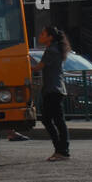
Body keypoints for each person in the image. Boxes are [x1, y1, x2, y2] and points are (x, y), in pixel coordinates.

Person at [33, 25, 71, 161]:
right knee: (51, 120)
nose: (40, 36)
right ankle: (60, 150)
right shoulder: (53, 48)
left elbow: (38, 67)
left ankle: (62, 151)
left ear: (50, 37)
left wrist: (21, 67)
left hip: (53, 90)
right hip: (54, 89)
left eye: (43, 34)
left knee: (55, 121)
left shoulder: (52, 50)